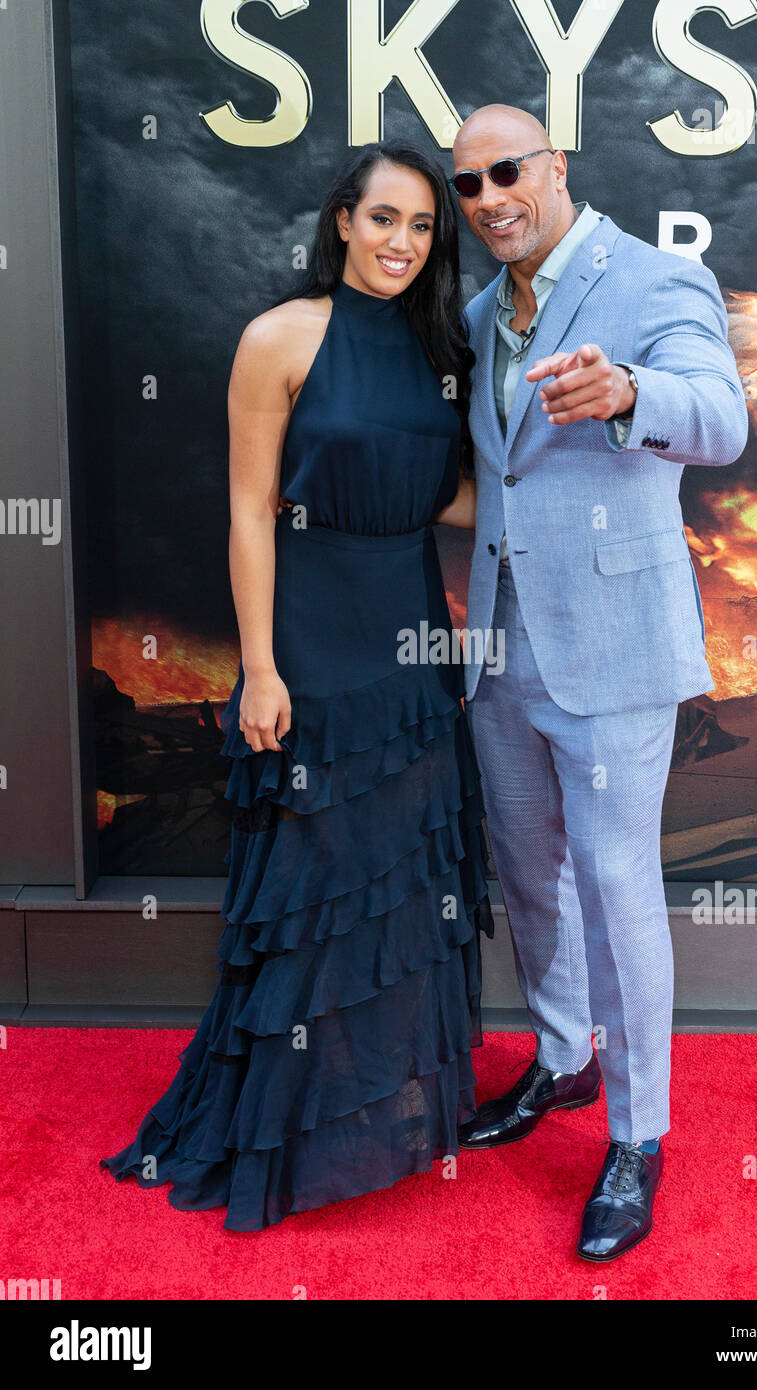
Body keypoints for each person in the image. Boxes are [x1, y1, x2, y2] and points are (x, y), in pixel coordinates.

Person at [100, 141, 492, 1231]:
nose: (402, 243)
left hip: (410, 633)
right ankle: (287, 1122)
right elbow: (248, 511)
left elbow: (448, 498)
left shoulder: (440, 347)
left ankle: (369, 1106)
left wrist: (578, 471)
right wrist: (261, 667)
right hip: (311, 637)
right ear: (342, 222)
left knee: (398, 875)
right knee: (315, 878)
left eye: (422, 226)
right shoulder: (278, 337)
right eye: (383, 218)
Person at [450, 105, 749, 1261]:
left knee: (617, 888)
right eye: (468, 184)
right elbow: (500, 477)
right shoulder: (480, 314)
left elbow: (721, 419)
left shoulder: (655, 276)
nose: (489, 198)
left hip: (615, 644)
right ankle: (563, 1057)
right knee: (528, 870)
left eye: (506, 171)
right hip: (502, 645)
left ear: (555, 165)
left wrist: (628, 391)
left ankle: (637, 1136)